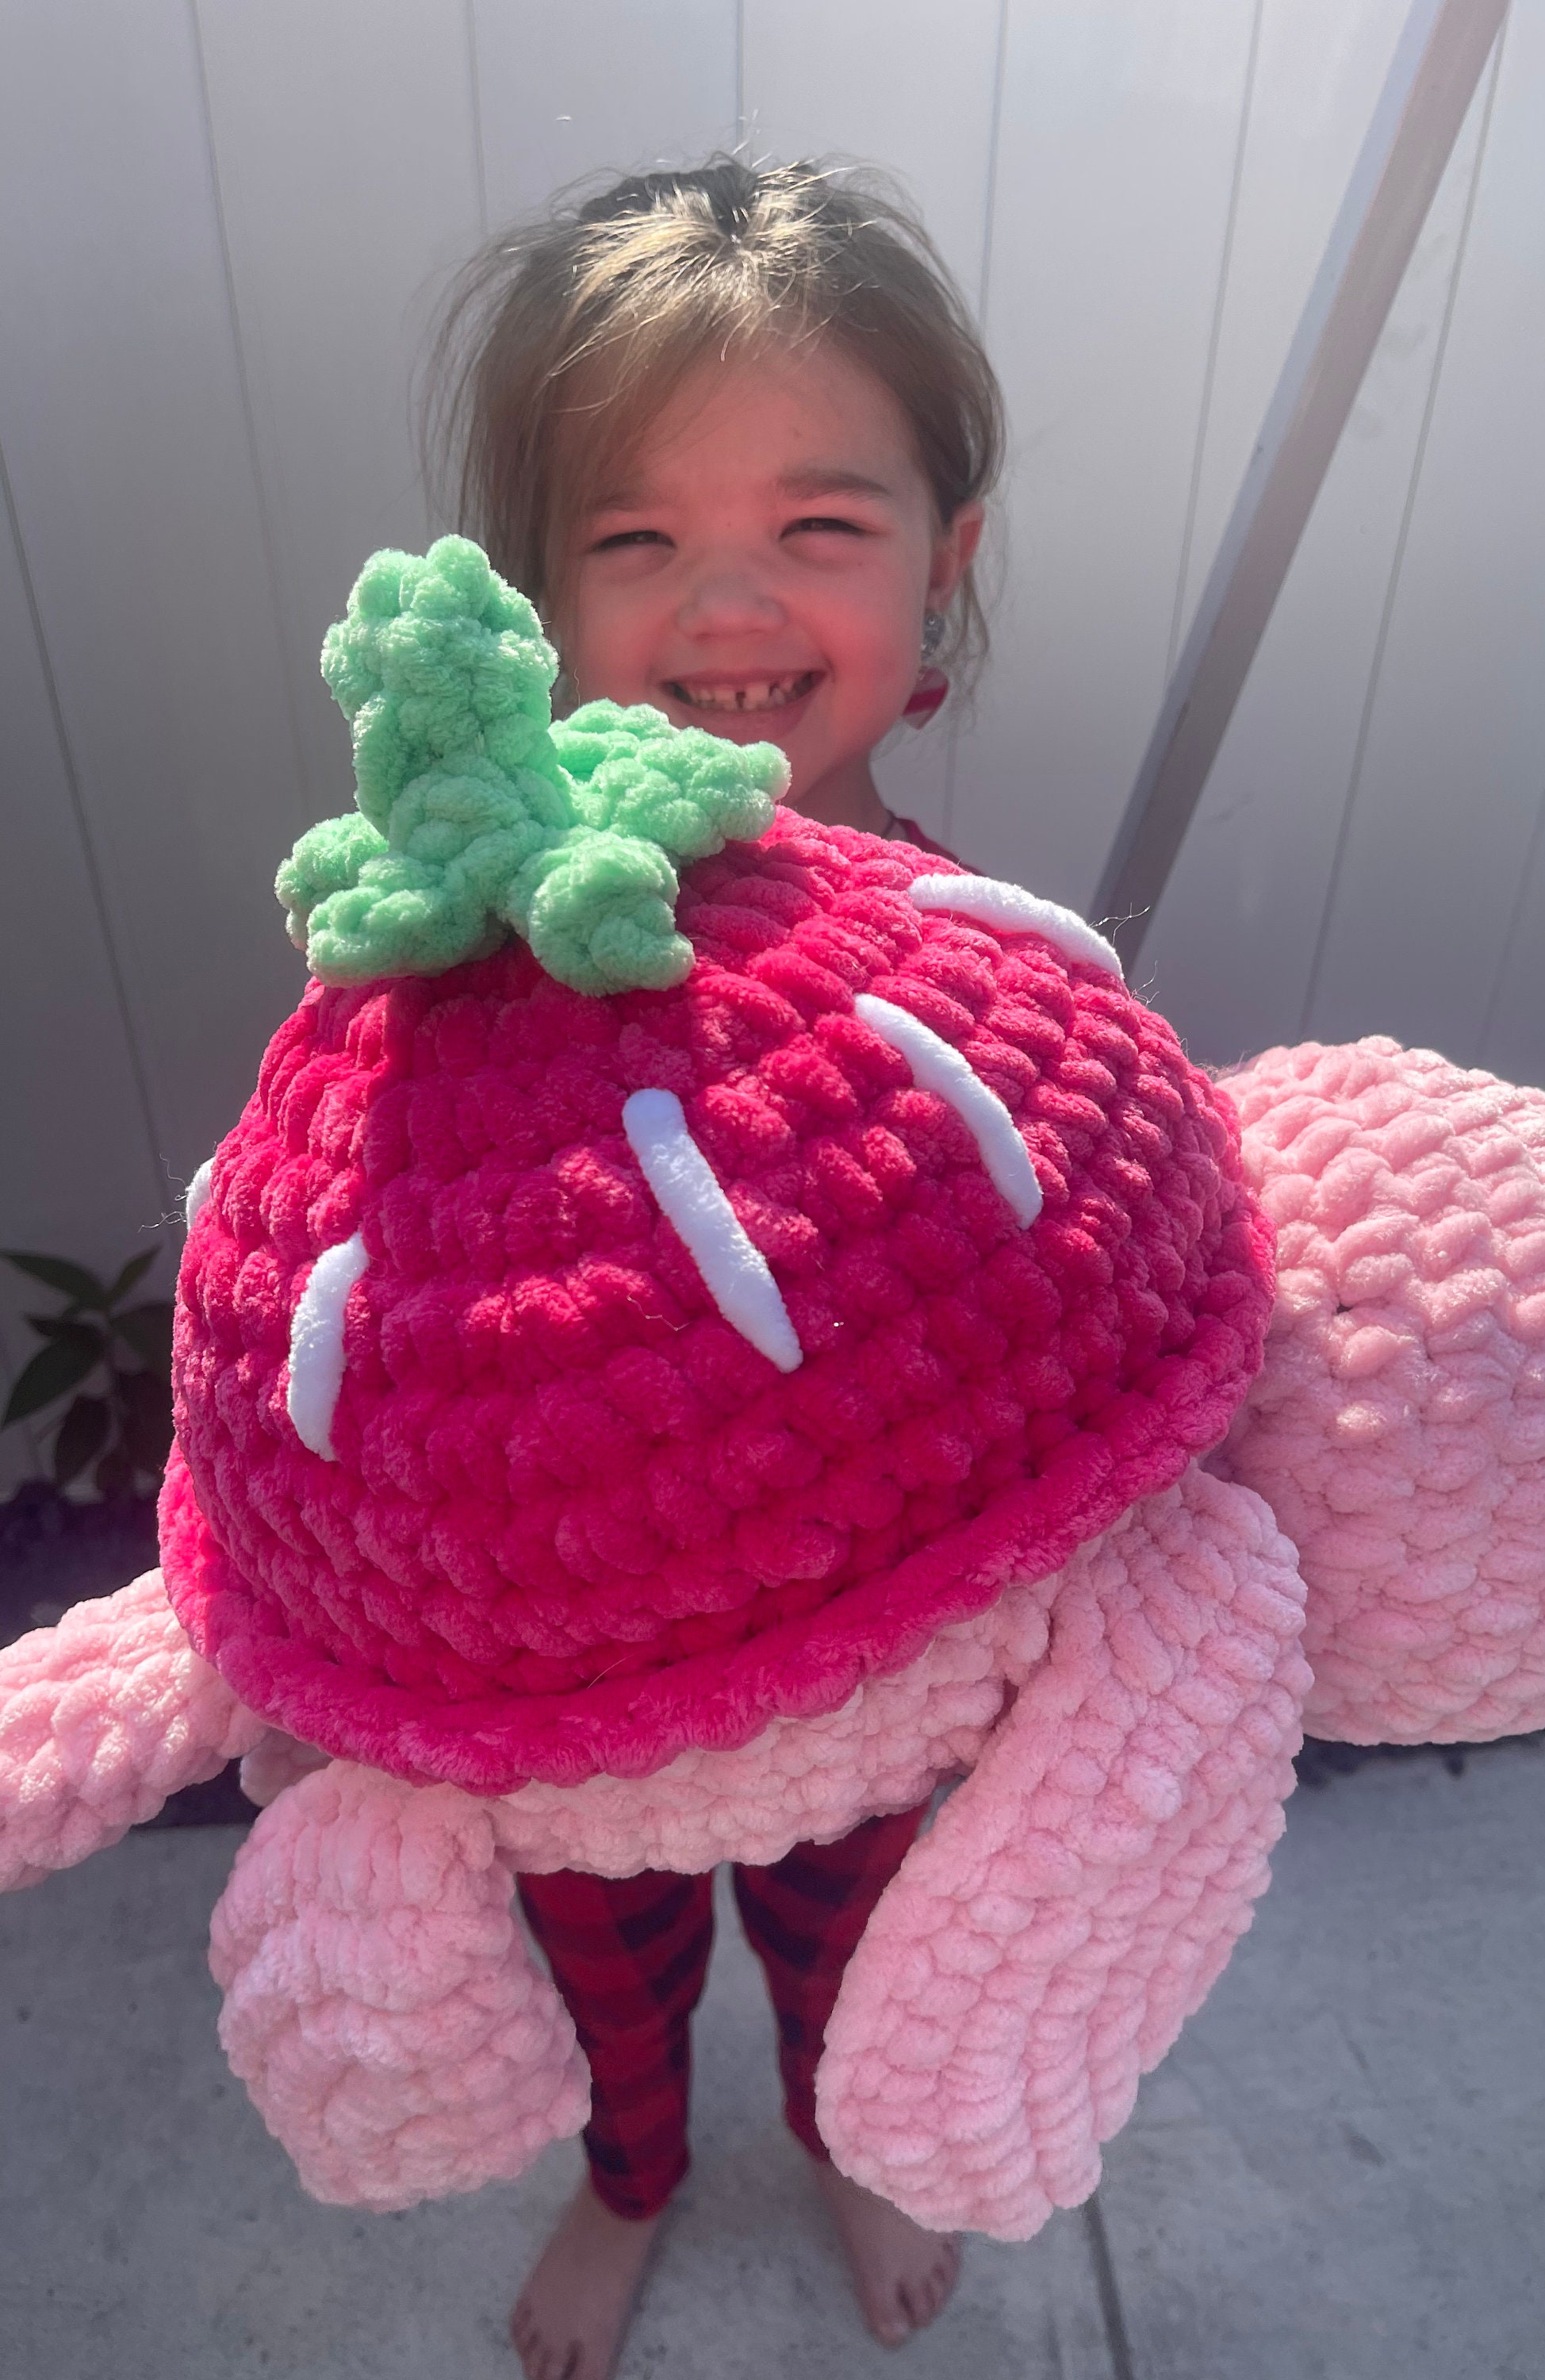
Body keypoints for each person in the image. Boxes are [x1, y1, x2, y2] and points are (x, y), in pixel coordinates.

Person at [423, 154, 1005, 2380]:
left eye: (819, 526)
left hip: (872, 1635)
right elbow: (355, 1252)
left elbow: (1089, 1272)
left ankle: (850, 2136)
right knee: (608, 1956)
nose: (725, 601)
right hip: (572, 1654)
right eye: (636, 535)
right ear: (536, 598)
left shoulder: (981, 963)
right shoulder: (472, 946)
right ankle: (631, 2172)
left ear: (942, 573)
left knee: (862, 1930)